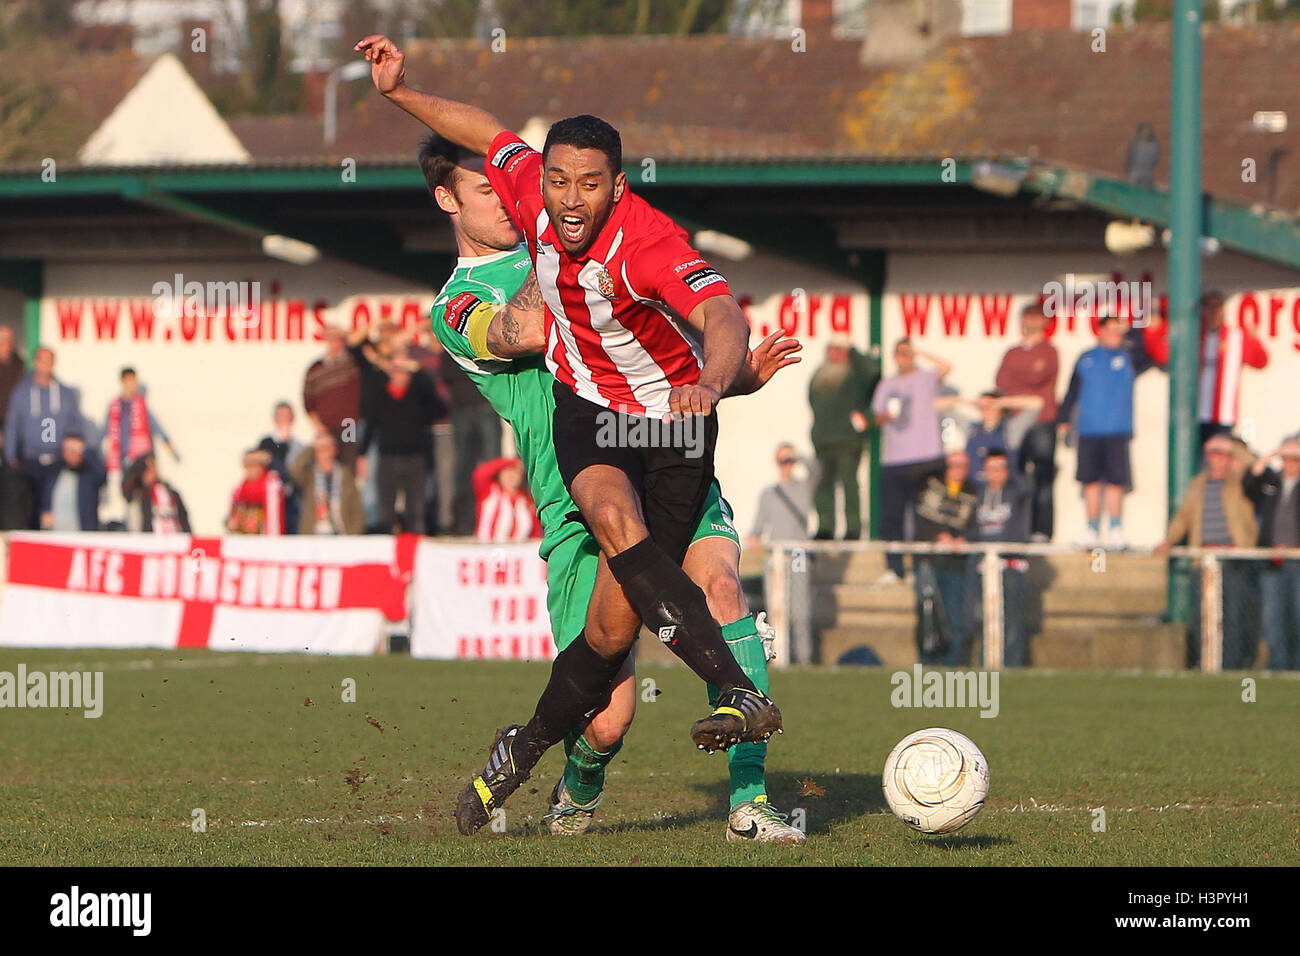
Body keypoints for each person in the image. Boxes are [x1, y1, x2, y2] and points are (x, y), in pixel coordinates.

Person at [356, 33, 786, 825]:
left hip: (656, 450)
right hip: (570, 491)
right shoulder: (454, 304)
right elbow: (528, 332)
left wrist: (720, 375)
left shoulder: (566, 222)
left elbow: (693, 315)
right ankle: (573, 781)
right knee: (609, 714)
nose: (508, 196)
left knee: (723, 585)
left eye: (510, 184)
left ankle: (751, 794)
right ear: (448, 200)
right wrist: (588, 275)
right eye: (486, 189)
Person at [1155, 434, 1257, 669]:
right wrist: (1169, 540)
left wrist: (1230, 446)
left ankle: (1232, 664)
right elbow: (1184, 516)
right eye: (1213, 454)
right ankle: (1204, 662)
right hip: (1203, 557)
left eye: (1222, 455)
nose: (1218, 460)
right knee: (1203, 613)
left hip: (1232, 557)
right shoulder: (1199, 483)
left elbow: (1254, 465)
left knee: (1232, 613)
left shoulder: (1239, 481)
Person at [1144, 290, 1269, 450]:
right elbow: (1162, 356)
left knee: (1217, 464)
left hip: (1222, 418)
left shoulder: (1236, 337)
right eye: (1208, 306)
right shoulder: (1191, 336)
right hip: (1192, 416)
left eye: (1216, 306)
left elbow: (1261, 362)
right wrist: (1157, 330)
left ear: (1223, 309)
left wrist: (1255, 340)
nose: (1212, 311)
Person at [871, 338, 951, 584]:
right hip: (895, 459)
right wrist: (886, 416)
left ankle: (921, 569)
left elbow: (946, 366)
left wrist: (918, 350)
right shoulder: (887, 384)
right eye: (900, 353)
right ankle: (895, 569)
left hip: (926, 457)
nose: (903, 357)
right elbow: (876, 417)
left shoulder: (926, 378)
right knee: (892, 517)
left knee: (924, 517)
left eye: (907, 353)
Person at [347, 332, 444, 535]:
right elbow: (371, 424)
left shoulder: (418, 394)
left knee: (415, 511)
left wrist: (416, 370)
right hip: (388, 458)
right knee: (386, 511)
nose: (400, 375)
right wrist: (362, 454)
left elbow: (437, 403)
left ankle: (417, 550)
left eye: (404, 371)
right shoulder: (381, 393)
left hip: (415, 458)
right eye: (396, 371)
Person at [1056, 315, 1136, 549]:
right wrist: (1063, 419)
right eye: (1110, 330)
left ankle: (1115, 528)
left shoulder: (1128, 357)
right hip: (1089, 430)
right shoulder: (1086, 358)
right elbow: (1072, 390)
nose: (1115, 335)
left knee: (1115, 481)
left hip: (1117, 430)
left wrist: (1129, 331)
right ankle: (1091, 528)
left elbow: (1151, 349)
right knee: (1089, 480)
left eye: (1119, 331)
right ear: (1100, 331)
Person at [995, 302, 1059, 540]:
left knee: (1043, 477)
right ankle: (1017, 529)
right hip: (1014, 420)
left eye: (1037, 318)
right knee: (1016, 475)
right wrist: (1022, 385)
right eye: (1028, 317)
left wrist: (1018, 383)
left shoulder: (1049, 351)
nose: (1032, 322)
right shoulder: (1013, 352)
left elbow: (1038, 375)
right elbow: (1001, 381)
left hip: (1042, 421)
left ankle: (1042, 531)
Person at [4, 346, 84, 528]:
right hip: (30, 460)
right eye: (42, 360)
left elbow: (75, 424)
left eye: (50, 361)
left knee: (53, 510)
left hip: (57, 460)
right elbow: (13, 425)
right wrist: (11, 456)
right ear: (35, 363)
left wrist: (73, 448)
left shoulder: (65, 394)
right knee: (29, 510)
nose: (46, 365)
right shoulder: (23, 392)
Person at [969, 449, 1035, 667]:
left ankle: (1012, 665)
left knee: (1012, 619)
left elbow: (1029, 486)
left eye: (1001, 468)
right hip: (984, 566)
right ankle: (986, 663)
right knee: (983, 618)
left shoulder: (1017, 491)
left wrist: (1013, 469)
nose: (996, 473)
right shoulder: (978, 494)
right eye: (992, 468)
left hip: (1011, 565)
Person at [808, 335, 878, 540]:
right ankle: (825, 527)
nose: (835, 354)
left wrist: (852, 349)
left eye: (840, 350)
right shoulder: (820, 376)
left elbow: (873, 371)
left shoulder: (855, 376)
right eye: (832, 349)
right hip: (823, 441)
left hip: (847, 440)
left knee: (849, 484)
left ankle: (853, 529)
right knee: (824, 487)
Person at [912, 449, 977, 665]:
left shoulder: (973, 492)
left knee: (955, 618)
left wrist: (963, 540)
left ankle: (951, 664)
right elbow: (921, 521)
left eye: (963, 466)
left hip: (956, 564)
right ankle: (927, 662)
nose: (958, 470)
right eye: (953, 465)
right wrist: (937, 536)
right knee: (928, 614)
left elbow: (976, 526)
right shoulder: (929, 486)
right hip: (928, 562)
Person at [1243, 436, 1300, 670]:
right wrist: (1272, 454)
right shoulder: (1272, 483)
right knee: (1271, 617)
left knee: (1297, 616)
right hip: (1272, 561)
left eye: (1296, 459)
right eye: (1287, 459)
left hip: (1297, 561)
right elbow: (1250, 484)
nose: (1291, 464)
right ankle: (1278, 665)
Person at [103, 367, 177, 523]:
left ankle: (138, 526)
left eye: (134, 381)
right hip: (118, 459)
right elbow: (105, 429)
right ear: (122, 382)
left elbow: (156, 426)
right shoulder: (115, 405)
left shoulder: (141, 406)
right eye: (129, 381)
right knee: (117, 494)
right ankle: (119, 523)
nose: (132, 385)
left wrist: (169, 445)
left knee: (138, 495)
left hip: (138, 458)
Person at [303, 326, 363, 467]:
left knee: (348, 465)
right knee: (327, 466)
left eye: (338, 340)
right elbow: (308, 402)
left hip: (349, 424)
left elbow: (362, 340)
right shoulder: (315, 368)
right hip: (326, 427)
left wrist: (347, 334)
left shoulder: (353, 363)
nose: (335, 344)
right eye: (331, 340)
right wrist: (319, 427)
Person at [290, 432, 364, 535]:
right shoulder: (310, 474)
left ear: (334, 450)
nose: (325, 453)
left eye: (328, 448)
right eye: (321, 449)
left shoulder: (345, 474)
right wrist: (312, 447)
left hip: (341, 534)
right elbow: (294, 470)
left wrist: (354, 534)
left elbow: (357, 508)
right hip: (314, 535)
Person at [748, 443, 817, 547]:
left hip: (800, 553)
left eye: (789, 460)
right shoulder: (768, 494)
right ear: (776, 462)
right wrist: (753, 538)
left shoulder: (805, 488)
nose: (786, 465)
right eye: (782, 461)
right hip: (776, 554)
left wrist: (798, 456)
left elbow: (817, 470)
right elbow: (757, 528)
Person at [40, 433, 105, 532]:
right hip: (55, 534)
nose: (72, 454)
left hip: (81, 536)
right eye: (69, 450)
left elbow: (102, 475)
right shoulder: (54, 474)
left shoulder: (88, 477)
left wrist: (86, 450)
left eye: (76, 451)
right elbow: (46, 498)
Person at [257, 402, 305, 535]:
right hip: (270, 502)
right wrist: (282, 444)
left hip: (292, 503)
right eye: (281, 416)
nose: (284, 420)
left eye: (287, 416)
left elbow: (297, 475)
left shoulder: (299, 447)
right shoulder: (266, 442)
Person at [473, 457, 539, 541]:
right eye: (507, 471)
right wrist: (513, 462)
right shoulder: (488, 491)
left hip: (518, 552)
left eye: (516, 472)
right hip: (487, 550)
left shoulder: (528, 501)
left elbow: (535, 533)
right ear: (499, 474)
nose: (511, 476)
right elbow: (480, 473)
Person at [123, 453, 191, 534]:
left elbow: (183, 518)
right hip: (152, 541)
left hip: (175, 539)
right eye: (149, 469)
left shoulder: (170, 492)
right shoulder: (140, 496)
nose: (153, 472)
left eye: (154, 467)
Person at [226, 449, 284, 535]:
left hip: (264, 536)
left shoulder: (270, 485)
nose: (250, 469)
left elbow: (273, 518)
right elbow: (235, 510)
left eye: (253, 465)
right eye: (247, 466)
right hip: (245, 535)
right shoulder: (241, 487)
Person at [0, 326, 25, 419]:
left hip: (14, 420)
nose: (5, 343)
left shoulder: (20, 365)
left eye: (8, 339)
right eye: (2, 339)